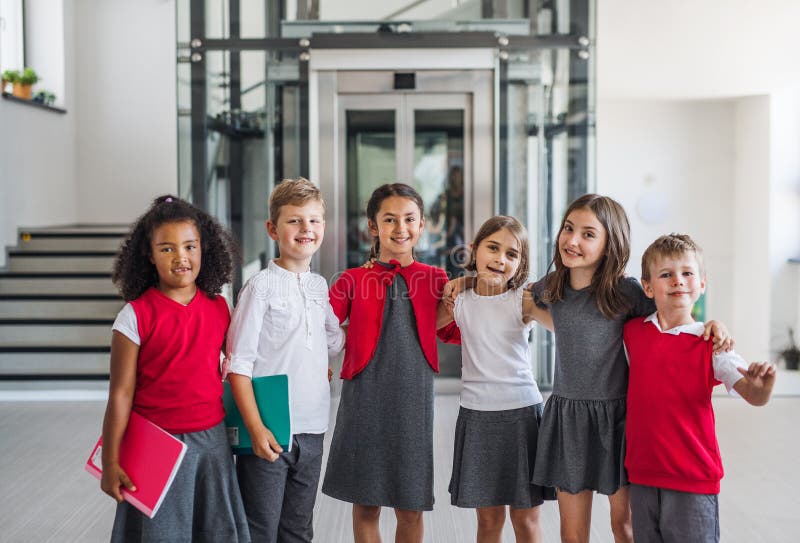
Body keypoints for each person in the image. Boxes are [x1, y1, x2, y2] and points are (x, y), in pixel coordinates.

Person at [527, 194, 731, 543]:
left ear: (610, 244)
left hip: (618, 421)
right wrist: (468, 282)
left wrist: (712, 324)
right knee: (571, 533)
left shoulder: (628, 292)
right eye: (568, 228)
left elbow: (672, 316)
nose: (572, 240)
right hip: (569, 418)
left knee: (625, 527)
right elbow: (518, 296)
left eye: (588, 234)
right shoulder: (550, 287)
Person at [101, 195, 249, 542]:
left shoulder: (221, 308)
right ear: (149, 255)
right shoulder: (134, 316)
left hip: (212, 444)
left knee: (214, 531)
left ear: (203, 250)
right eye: (166, 249)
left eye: (189, 246)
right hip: (155, 445)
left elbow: (241, 364)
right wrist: (110, 461)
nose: (180, 257)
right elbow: (120, 394)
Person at [321, 183, 459, 543]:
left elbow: (452, 332)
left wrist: (466, 300)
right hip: (364, 398)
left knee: (410, 507)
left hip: (413, 401)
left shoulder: (436, 278)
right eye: (390, 219)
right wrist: (317, 362)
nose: (401, 228)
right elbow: (320, 328)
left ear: (422, 224)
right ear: (373, 226)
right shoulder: (351, 280)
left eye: (409, 219)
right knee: (366, 505)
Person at [623, 233, 775, 543]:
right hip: (641, 475)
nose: (678, 280)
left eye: (687, 273)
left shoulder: (713, 344)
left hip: (693, 478)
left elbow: (753, 395)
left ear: (702, 284)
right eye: (666, 274)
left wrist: (763, 388)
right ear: (648, 288)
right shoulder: (632, 333)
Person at [226, 178, 345, 542]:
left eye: (314, 220)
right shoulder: (259, 287)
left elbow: (334, 341)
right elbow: (238, 365)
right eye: (294, 220)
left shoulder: (319, 286)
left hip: (313, 428)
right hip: (269, 429)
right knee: (260, 528)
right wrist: (256, 428)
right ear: (272, 229)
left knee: (298, 529)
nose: (306, 228)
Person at [439, 216, 556, 543]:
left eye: (511, 254)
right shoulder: (459, 300)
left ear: (520, 264)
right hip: (477, 417)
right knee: (488, 521)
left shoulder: (523, 299)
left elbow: (562, 326)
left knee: (526, 519)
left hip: (522, 416)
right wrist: (464, 282)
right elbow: (420, 327)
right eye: (492, 248)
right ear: (474, 250)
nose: (500, 259)